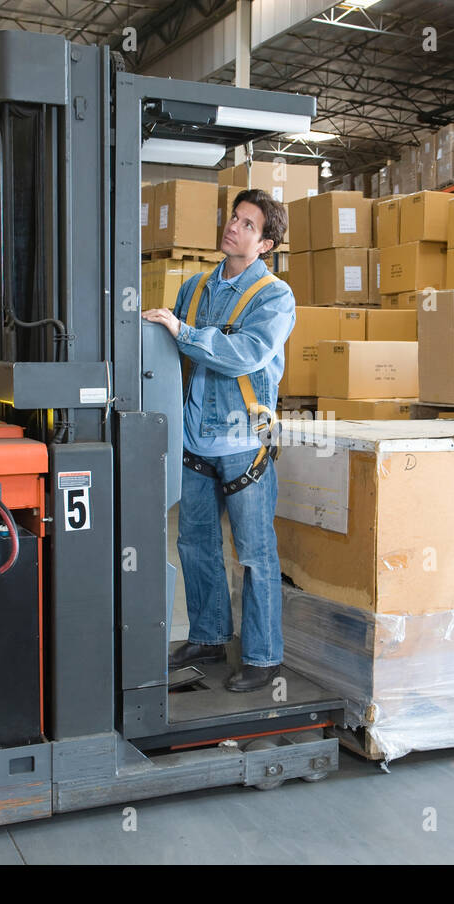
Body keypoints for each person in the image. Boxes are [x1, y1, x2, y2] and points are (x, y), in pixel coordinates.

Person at [142, 188, 296, 692]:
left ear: (266, 244)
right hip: (194, 439)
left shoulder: (274, 296)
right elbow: (170, 349)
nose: (234, 227)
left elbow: (245, 355)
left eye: (249, 224)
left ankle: (262, 656)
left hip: (242, 443)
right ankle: (208, 635)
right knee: (195, 545)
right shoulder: (195, 287)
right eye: (235, 218)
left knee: (254, 554)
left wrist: (183, 332)